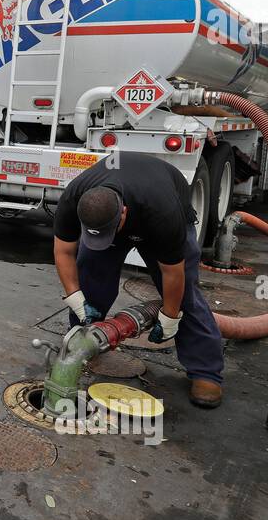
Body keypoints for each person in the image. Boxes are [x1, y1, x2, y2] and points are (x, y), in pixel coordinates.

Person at [53, 151, 225, 408]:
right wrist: (76, 299)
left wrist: (169, 317)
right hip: (122, 208)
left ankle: (205, 372)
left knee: (185, 296)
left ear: (122, 214)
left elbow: (172, 273)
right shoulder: (74, 198)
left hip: (159, 209)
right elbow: (63, 251)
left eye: (107, 234)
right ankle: (82, 347)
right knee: (90, 280)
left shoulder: (163, 212)